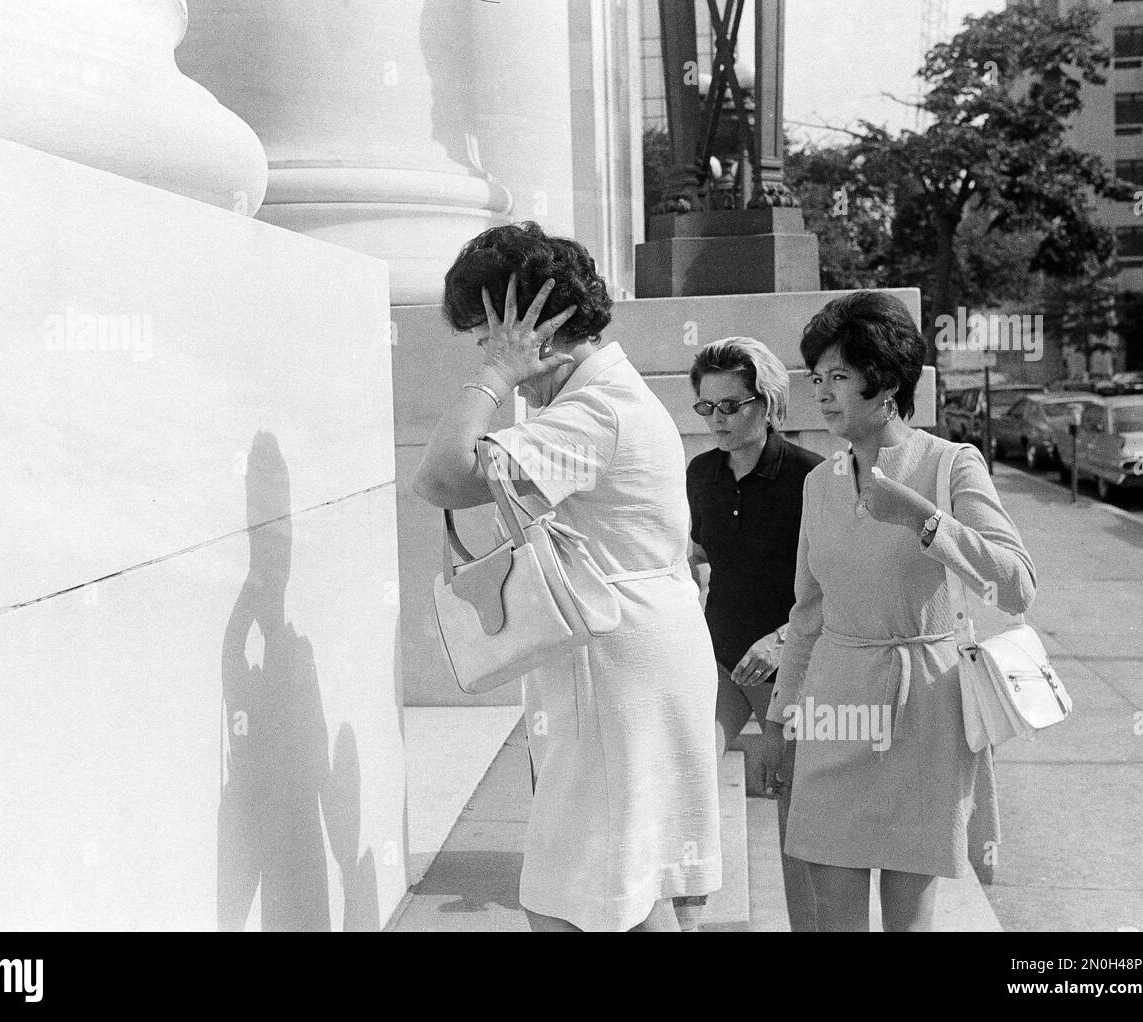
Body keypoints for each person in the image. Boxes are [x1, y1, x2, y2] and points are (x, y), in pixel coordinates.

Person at [413, 222, 722, 932]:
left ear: (526, 325)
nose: (483, 350)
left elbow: (440, 478)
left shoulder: (594, 410)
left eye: (485, 333)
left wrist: (493, 377)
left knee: (569, 903)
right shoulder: (605, 398)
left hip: (612, 665)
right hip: (633, 650)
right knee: (628, 895)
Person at [756, 290, 1035, 932]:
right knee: (832, 907)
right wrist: (778, 721)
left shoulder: (949, 464)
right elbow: (806, 615)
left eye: (840, 377)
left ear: (885, 385)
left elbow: (1016, 585)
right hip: (833, 707)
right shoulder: (818, 483)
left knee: (907, 919)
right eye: (817, 378)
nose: (822, 394)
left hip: (926, 708)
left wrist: (924, 519)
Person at [674, 337, 821, 932]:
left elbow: (839, 582)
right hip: (720, 658)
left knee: (794, 807)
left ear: (769, 403)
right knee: (683, 774)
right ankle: (685, 912)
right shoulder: (701, 473)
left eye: (730, 406)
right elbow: (696, 556)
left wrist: (782, 639)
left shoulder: (815, 478)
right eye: (705, 408)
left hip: (793, 666)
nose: (717, 421)